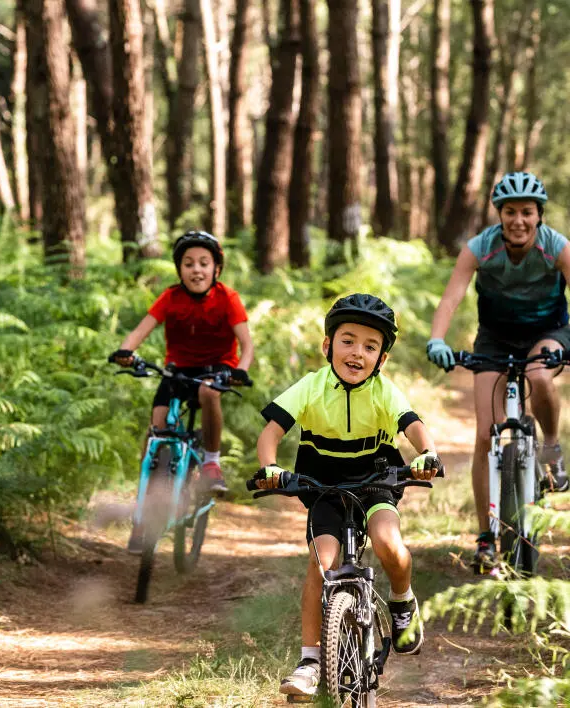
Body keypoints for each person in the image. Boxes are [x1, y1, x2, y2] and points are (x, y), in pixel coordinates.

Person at [252, 293, 441, 700]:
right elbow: (271, 431)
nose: (358, 352)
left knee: (390, 543)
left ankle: (402, 599)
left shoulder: (384, 392)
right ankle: (309, 661)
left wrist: (427, 454)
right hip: (322, 486)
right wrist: (270, 466)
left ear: (382, 359)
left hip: (376, 480)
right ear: (328, 346)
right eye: (348, 340)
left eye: (371, 346)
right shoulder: (311, 387)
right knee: (321, 564)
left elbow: (413, 425)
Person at [427, 171, 570, 571]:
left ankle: (552, 451)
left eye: (527, 212)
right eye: (510, 212)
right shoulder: (479, 249)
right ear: (500, 215)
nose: (519, 220)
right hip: (495, 338)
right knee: (484, 435)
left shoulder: (557, 247)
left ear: (539, 216)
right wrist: (438, 340)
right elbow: (452, 297)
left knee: (541, 376)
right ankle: (486, 536)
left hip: (548, 332)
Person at [110, 230, 254, 552]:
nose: (196, 269)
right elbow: (140, 331)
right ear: (180, 270)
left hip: (216, 369)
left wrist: (239, 370)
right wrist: (126, 351)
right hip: (177, 370)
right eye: (188, 263)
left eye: (204, 263)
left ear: (216, 269)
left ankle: (211, 463)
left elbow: (247, 345)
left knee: (208, 393)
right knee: (157, 430)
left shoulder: (227, 298)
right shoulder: (170, 297)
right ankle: (146, 514)